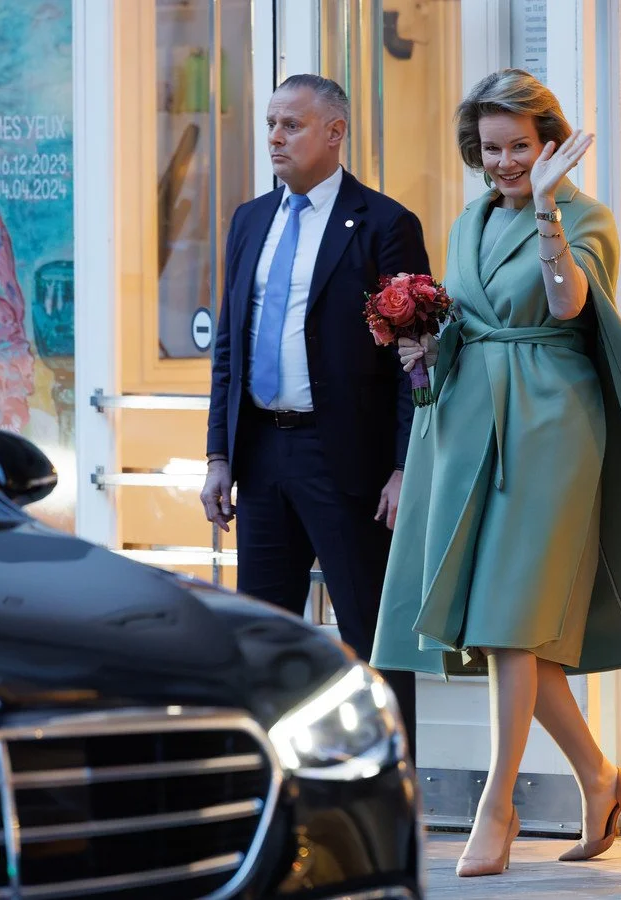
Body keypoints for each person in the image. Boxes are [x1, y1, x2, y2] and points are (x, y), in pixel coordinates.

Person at [371, 68, 621, 878]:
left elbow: (568, 306)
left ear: (549, 142)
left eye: (518, 146)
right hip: (468, 428)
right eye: (490, 148)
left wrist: (553, 208)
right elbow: (463, 317)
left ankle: (498, 802)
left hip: (555, 424)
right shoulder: (469, 221)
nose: (502, 162)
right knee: (508, 631)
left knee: (511, 618)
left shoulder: (586, 216)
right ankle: (600, 779)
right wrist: (420, 342)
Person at [201, 74, 429, 750]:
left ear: (336, 132)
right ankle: (267, 784)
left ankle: (392, 790)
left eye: (291, 125)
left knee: (371, 636)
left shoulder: (385, 224)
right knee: (261, 640)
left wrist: (401, 466)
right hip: (263, 456)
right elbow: (229, 350)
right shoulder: (249, 220)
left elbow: (413, 360)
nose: (274, 137)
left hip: (348, 465)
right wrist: (218, 454)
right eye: (271, 123)